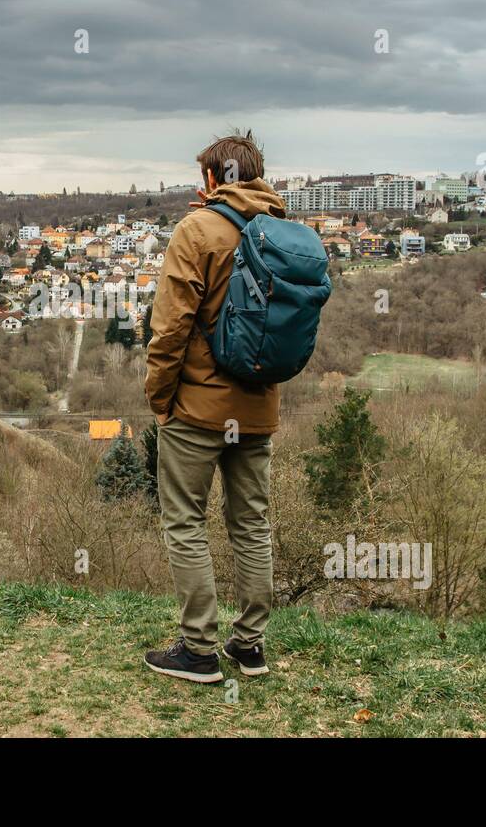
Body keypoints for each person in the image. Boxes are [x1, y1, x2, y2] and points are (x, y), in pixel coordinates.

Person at [142, 130, 283, 683]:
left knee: (185, 521)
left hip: (196, 409)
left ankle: (198, 650)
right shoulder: (283, 230)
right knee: (251, 524)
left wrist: (161, 398)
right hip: (258, 408)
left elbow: (169, 326)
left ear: (211, 179)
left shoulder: (197, 230)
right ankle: (249, 647)